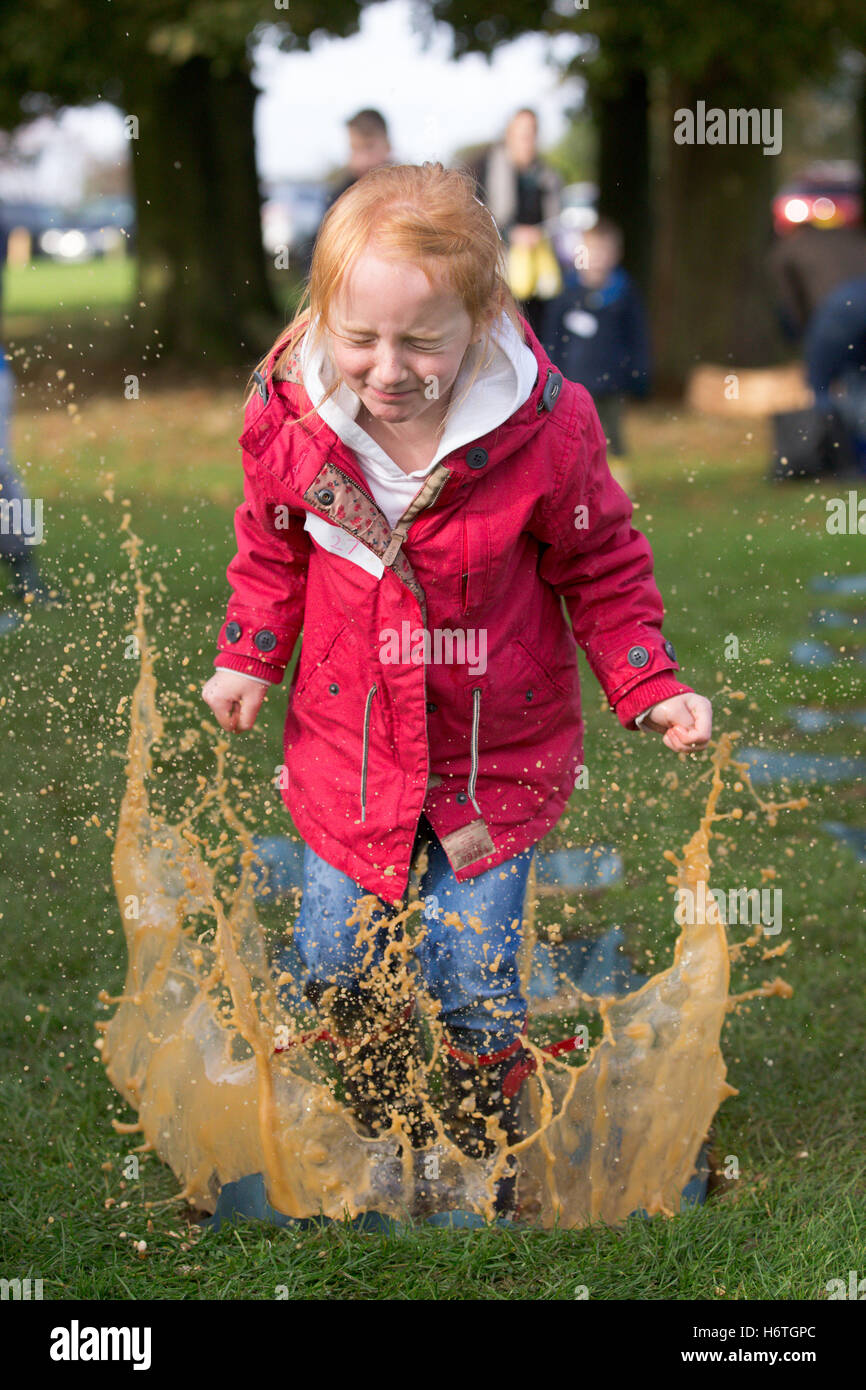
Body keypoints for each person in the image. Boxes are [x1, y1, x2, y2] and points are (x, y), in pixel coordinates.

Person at [201, 162, 712, 1215]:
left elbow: (600, 564)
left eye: (420, 342)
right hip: (347, 758)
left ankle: (489, 1140)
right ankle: (382, 1121)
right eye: (358, 337)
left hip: (491, 766)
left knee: (472, 981)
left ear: (480, 319)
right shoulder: (293, 420)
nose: (385, 369)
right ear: (321, 312)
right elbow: (271, 546)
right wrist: (250, 651)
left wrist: (647, 680)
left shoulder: (541, 431)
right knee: (336, 965)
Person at [542, 218, 650, 458]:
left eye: (604, 251)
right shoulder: (566, 294)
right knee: (573, 438)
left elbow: (637, 337)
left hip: (612, 384)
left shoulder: (624, 293)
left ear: (616, 254)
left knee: (611, 440)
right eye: (591, 252)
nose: (597, 258)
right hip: (573, 382)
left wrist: (638, 374)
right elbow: (553, 338)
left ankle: (617, 487)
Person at [479, 109, 563, 340]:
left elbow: (556, 222)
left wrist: (539, 234)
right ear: (509, 135)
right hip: (498, 273)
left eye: (532, 133)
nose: (527, 140)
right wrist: (511, 234)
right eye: (522, 134)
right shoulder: (484, 169)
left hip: (538, 277)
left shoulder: (548, 176)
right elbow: (479, 218)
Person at [804, 274, 866, 473]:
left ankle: (840, 461)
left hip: (826, 339)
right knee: (844, 402)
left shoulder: (852, 292)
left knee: (823, 397)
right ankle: (848, 462)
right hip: (838, 343)